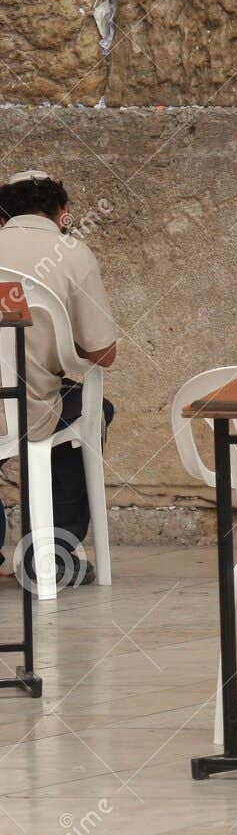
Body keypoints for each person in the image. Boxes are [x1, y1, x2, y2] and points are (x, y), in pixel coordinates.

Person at [0, 171, 116, 588]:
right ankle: (50, 552)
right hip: (32, 408)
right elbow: (104, 353)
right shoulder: (72, 253)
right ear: (63, 214)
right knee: (91, 410)